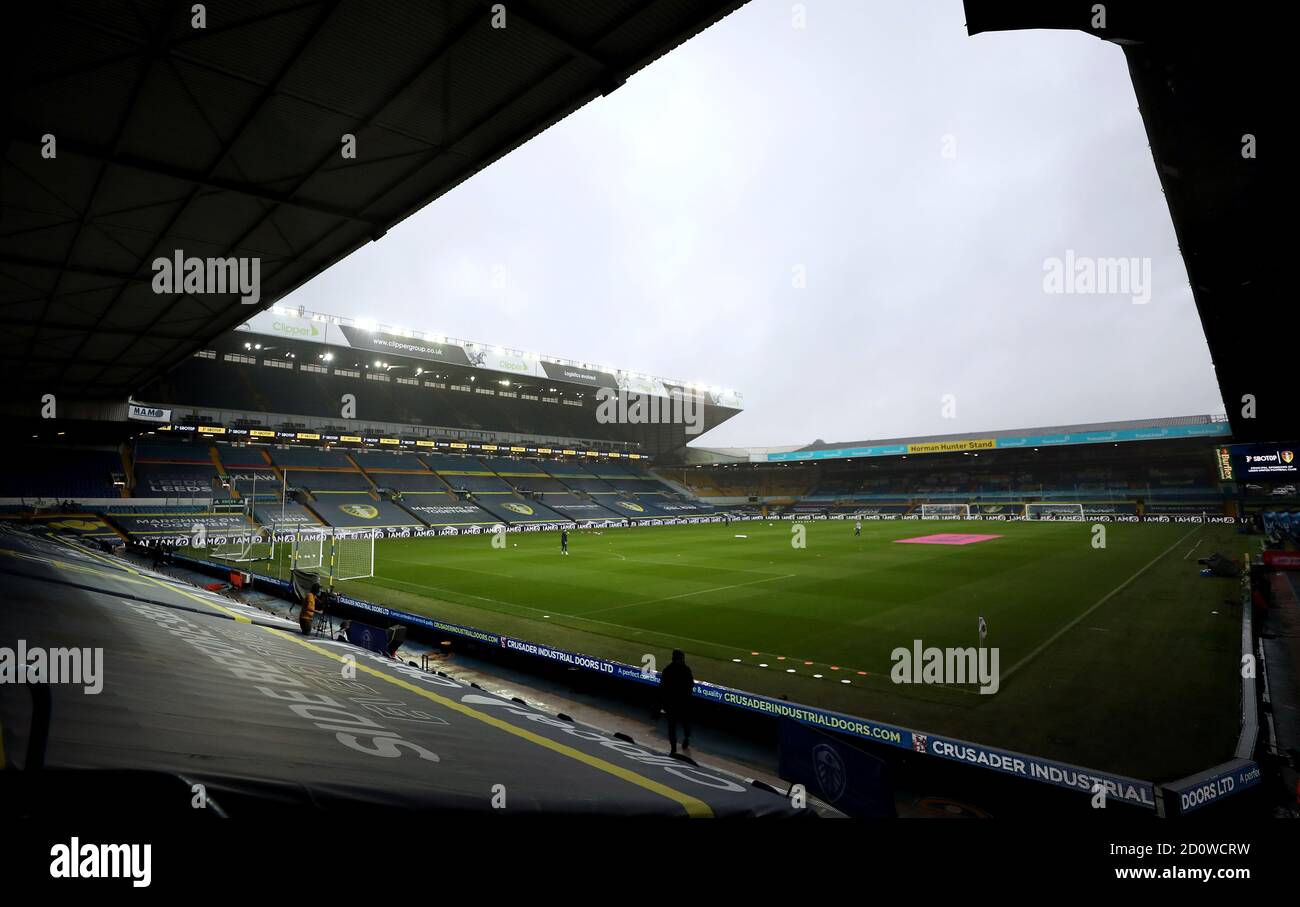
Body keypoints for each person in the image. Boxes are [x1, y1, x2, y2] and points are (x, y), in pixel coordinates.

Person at [659, 649, 694, 755]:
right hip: (682, 702)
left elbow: (663, 687)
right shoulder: (686, 669)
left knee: (672, 726)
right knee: (684, 723)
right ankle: (685, 739)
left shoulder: (668, 669)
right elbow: (690, 685)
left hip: (672, 702)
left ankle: (674, 747)